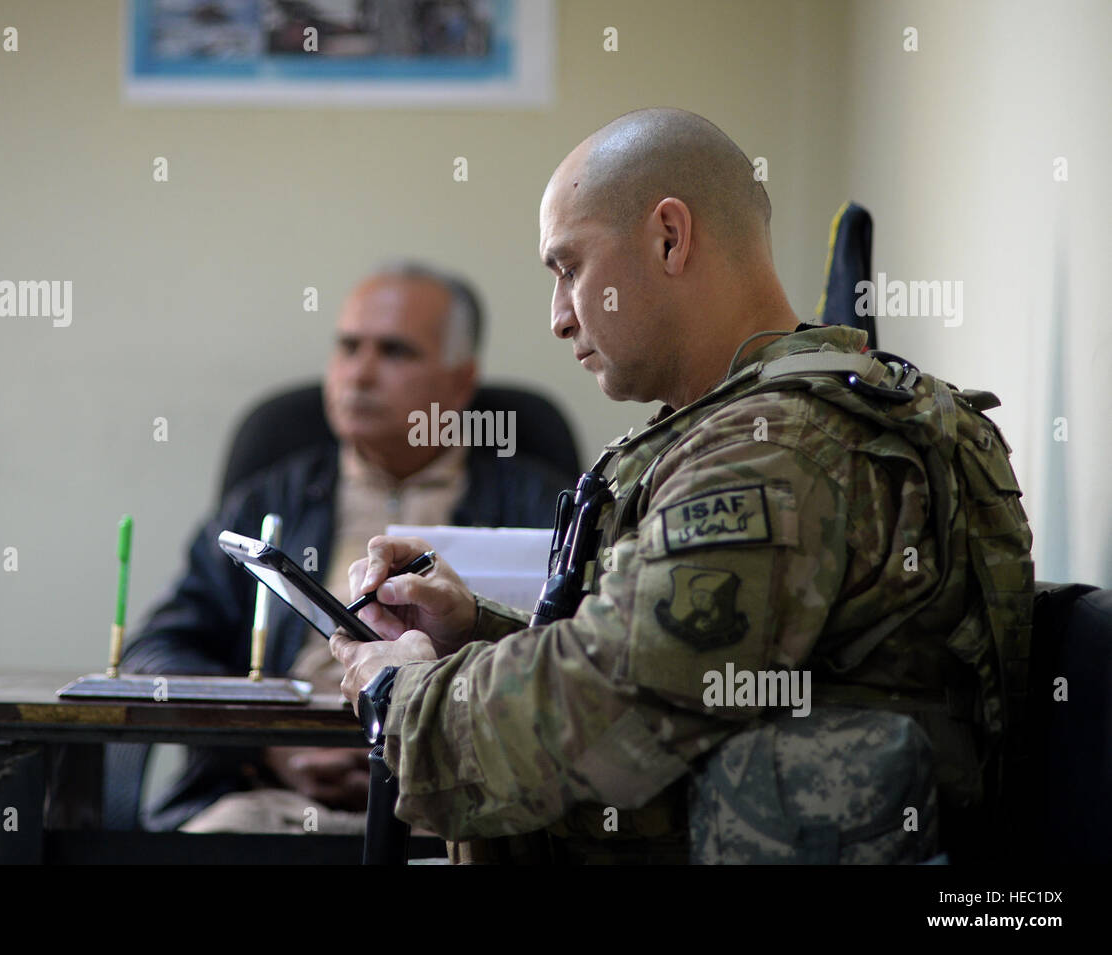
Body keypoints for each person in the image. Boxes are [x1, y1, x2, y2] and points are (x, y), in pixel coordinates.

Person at [330, 108, 1034, 864]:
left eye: (570, 268)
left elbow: (613, 707)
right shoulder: (764, 425)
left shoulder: (777, 450)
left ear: (669, 237)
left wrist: (399, 694)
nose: (560, 317)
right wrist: (473, 629)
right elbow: (685, 669)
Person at [123, 262, 570, 833]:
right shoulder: (271, 496)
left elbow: (566, 657)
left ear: (460, 382)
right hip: (272, 802)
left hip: (456, 808)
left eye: (394, 351)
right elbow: (157, 649)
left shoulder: (540, 504)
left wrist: (415, 739)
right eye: (348, 347)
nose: (358, 374)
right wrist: (267, 743)